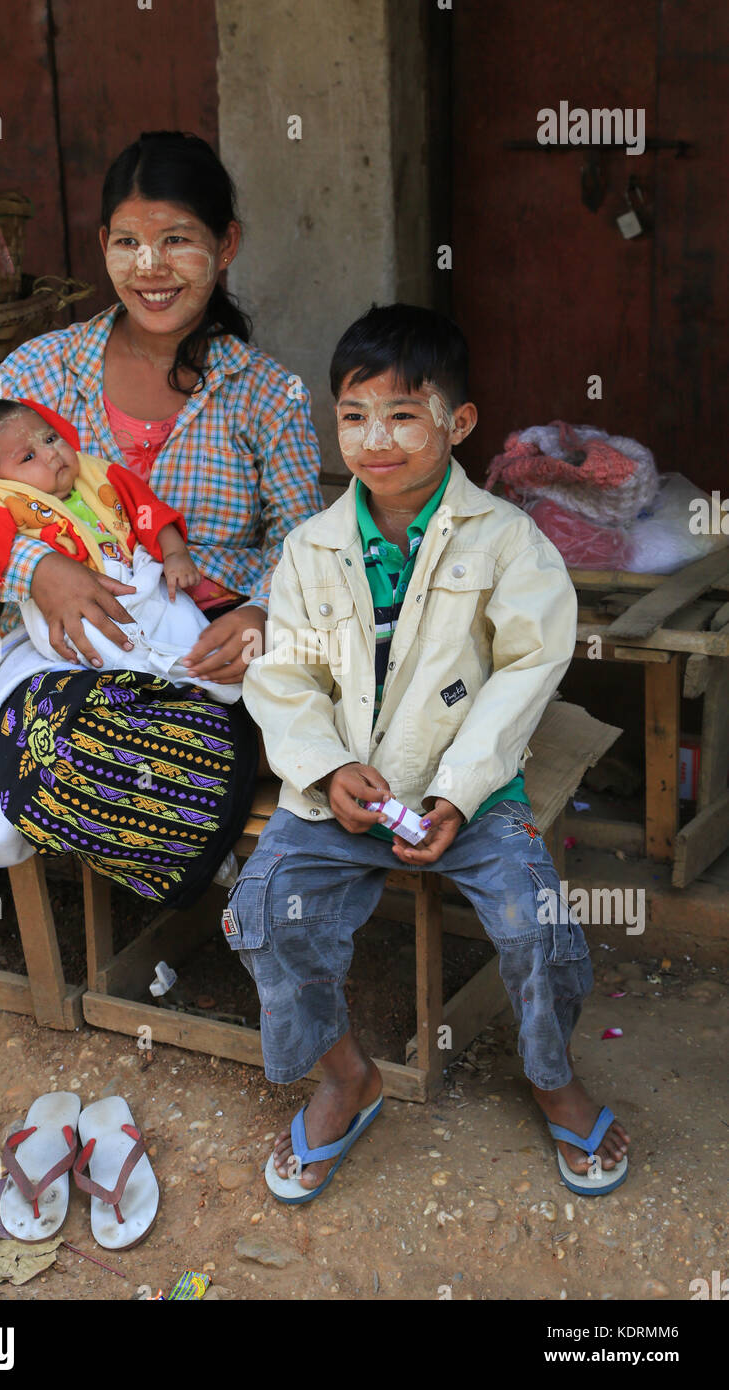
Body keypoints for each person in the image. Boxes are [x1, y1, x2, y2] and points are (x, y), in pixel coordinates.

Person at [226, 303, 631, 1202]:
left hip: (470, 789)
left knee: (534, 925)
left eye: (405, 414)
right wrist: (328, 770)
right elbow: (282, 679)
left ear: (459, 423)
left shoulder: (508, 542)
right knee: (264, 916)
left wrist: (458, 788)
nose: (376, 439)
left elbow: (527, 672)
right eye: (354, 415)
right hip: (340, 787)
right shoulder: (308, 549)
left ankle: (552, 1073)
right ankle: (347, 1078)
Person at [0, 129, 324, 906]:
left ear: (226, 244)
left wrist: (261, 616)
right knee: (71, 735)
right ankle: (223, 854)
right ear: (103, 244)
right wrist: (38, 570)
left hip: (211, 657)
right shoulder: (37, 371)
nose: (151, 267)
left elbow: (306, 542)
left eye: (178, 240)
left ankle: (210, 829)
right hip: (70, 665)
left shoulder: (265, 394)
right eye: (130, 242)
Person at [0, 398, 238, 703]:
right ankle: (146, 678)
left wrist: (174, 554)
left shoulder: (97, 472)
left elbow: (148, 510)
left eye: (50, 438)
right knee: (91, 643)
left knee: (178, 612)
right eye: (28, 457)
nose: (51, 453)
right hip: (64, 606)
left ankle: (198, 668)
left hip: (134, 577)